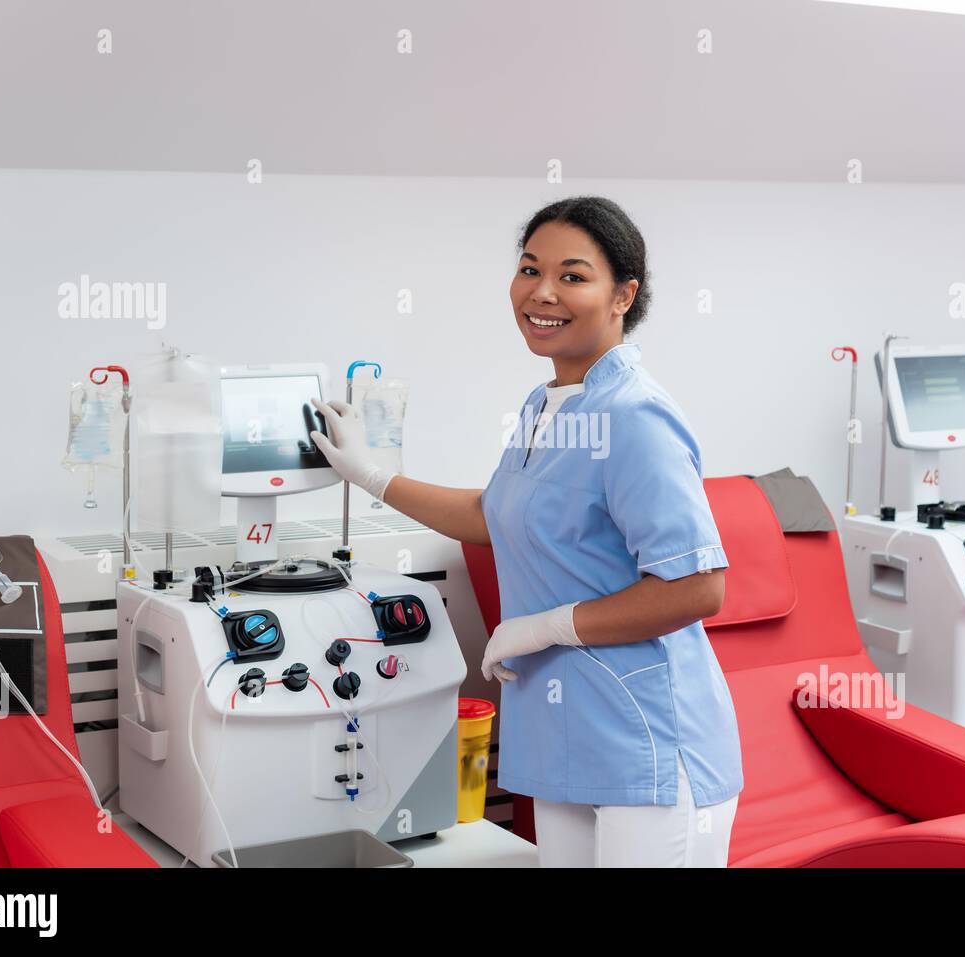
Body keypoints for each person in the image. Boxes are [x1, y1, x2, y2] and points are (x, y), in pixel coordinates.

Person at [311, 196, 743, 867]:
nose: (542, 292)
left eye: (573, 275)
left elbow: (696, 587)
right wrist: (370, 475)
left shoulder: (636, 416)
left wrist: (544, 626)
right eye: (528, 268)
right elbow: (494, 513)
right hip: (567, 738)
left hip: (649, 748)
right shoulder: (546, 404)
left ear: (623, 294)